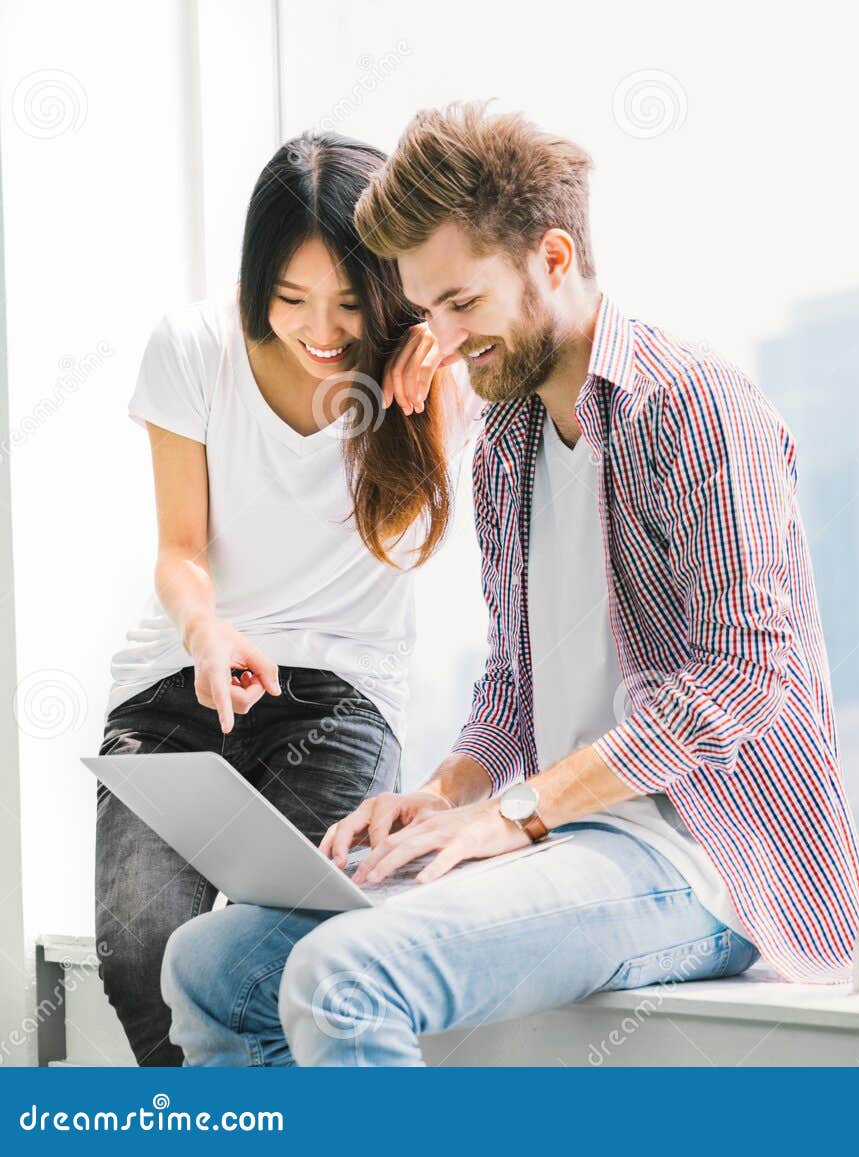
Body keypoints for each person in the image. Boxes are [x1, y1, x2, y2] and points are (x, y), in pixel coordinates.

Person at [161, 102, 859, 1066]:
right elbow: (515, 688)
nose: (441, 340)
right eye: (426, 312)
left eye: (462, 304)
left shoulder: (693, 407)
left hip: (705, 859)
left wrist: (519, 809)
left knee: (343, 976)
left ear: (555, 258)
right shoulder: (511, 442)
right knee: (209, 962)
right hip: (561, 836)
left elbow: (743, 678)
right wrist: (447, 792)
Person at [96, 131, 475, 1066]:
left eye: (351, 303)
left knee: (289, 950)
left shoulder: (428, 372)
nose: (323, 330)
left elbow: (533, 374)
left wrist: (443, 357)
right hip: (188, 678)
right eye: (291, 299)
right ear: (254, 281)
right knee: (139, 949)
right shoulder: (193, 347)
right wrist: (205, 630)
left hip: (342, 695)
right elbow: (180, 549)